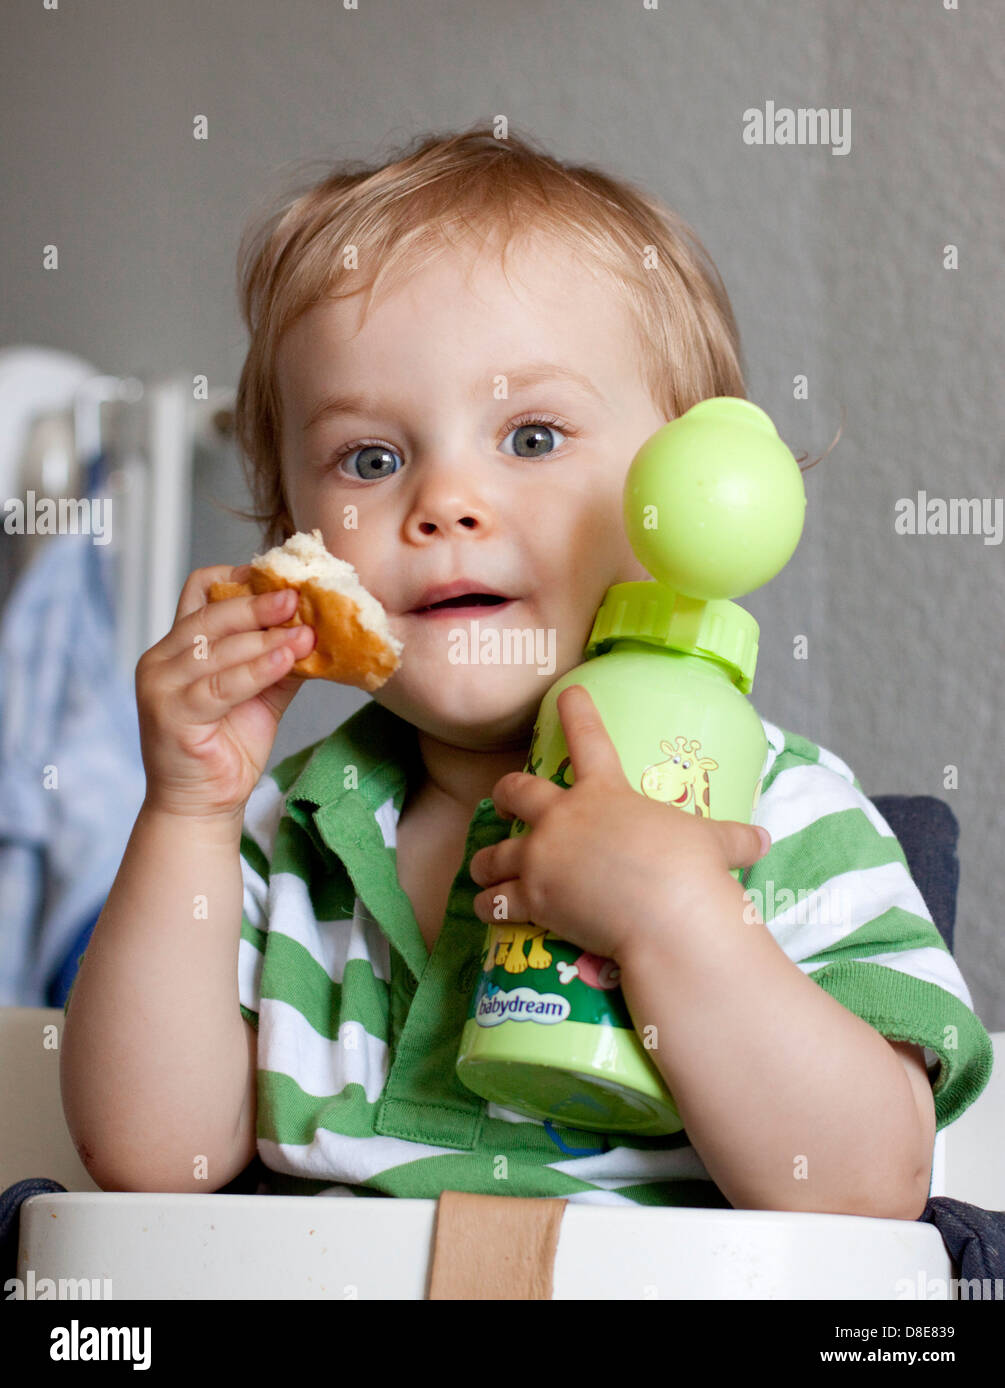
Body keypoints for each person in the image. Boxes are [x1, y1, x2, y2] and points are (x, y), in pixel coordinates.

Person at [60, 125, 992, 1215]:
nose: (445, 501)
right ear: (293, 534)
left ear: (685, 496)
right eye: (371, 458)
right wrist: (185, 812)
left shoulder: (782, 817)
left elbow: (865, 1191)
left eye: (534, 437)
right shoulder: (277, 836)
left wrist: (677, 919)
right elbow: (149, 1160)